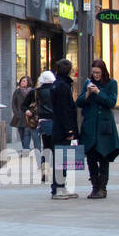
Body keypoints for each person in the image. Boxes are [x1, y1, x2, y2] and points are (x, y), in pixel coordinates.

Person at [76, 58, 119, 199]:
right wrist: (88, 93)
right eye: (94, 72)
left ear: (103, 71)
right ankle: (95, 187)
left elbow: (111, 102)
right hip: (89, 126)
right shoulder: (87, 83)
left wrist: (98, 92)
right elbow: (79, 102)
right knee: (90, 156)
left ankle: (102, 187)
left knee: (104, 156)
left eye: (98, 72)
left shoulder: (111, 83)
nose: (95, 75)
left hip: (104, 127)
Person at [48, 58, 78, 200]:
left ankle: (61, 187)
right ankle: (58, 188)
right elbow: (64, 110)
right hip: (62, 129)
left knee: (62, 159)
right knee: (61, 159)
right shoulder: (62, 86)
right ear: (69, 70)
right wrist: (69, 131)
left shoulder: (58, 84)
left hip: (59, 128)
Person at [11, 74, 42, 169]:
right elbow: (14, 103)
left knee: (28, 133)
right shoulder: (17, 92)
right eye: (21, 81)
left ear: (28, 82)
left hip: (30, 117)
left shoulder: (33, 92)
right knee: (21, 132)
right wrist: (17, 113)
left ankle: (27, 150)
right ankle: (26, 149)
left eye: (24, 81)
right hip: (20, 116)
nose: (22, 82)